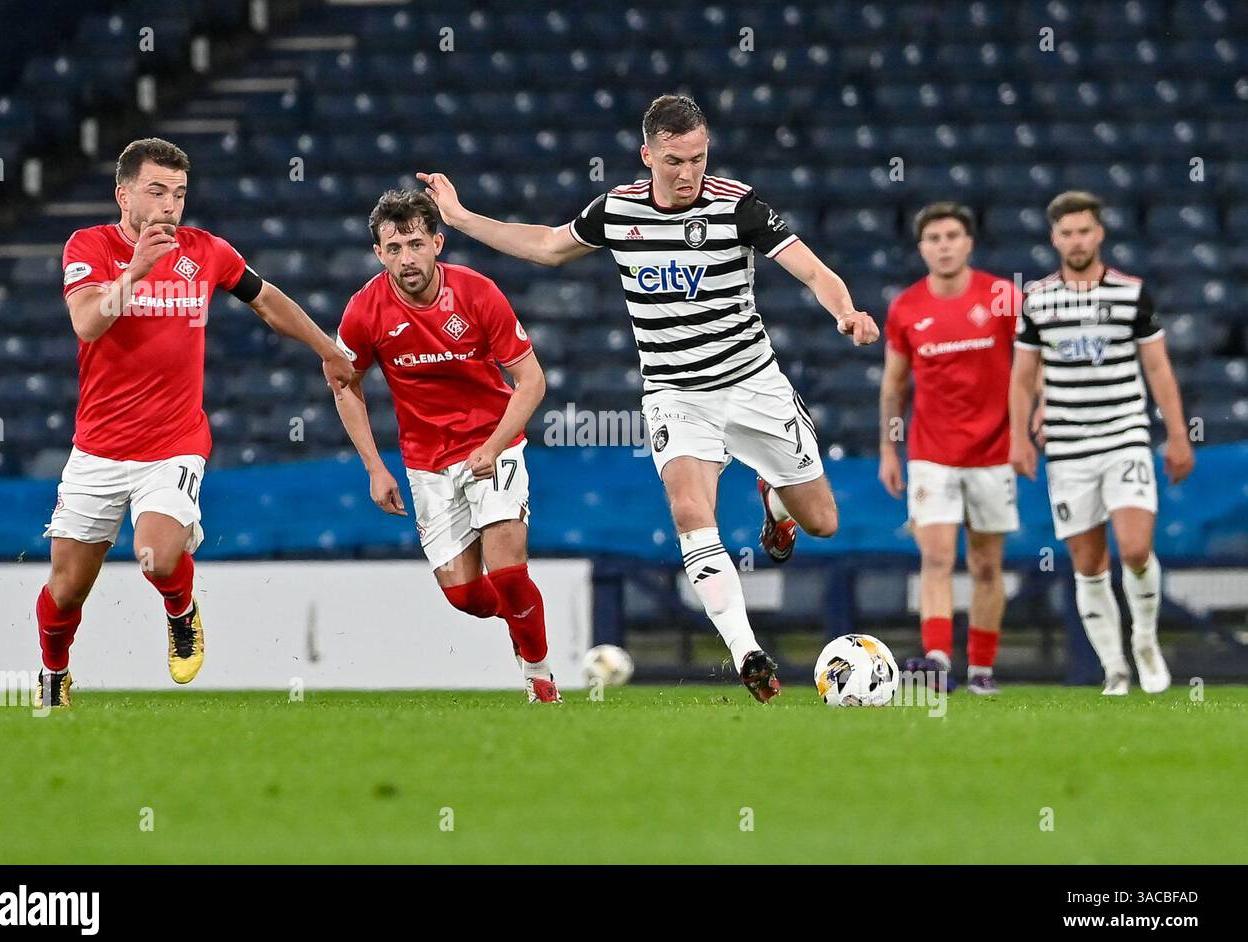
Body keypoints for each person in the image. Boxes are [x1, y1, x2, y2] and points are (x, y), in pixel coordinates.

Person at [417, 94, 879, 702]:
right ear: (647, 156)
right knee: (690, 511)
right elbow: (548, 246)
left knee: (822, 521)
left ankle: (775, 504)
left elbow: (815, 272)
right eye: (674, 161)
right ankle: (747, 651)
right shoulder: (617, 211)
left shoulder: (739, 206)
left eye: (697, 158)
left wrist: (846, 311)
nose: (688, 173)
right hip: (675, 394)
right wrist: (462, 217)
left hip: (752, 385)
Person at [36, 137, 354, 707]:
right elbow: (86, 323)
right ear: (124, 195)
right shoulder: (89, 246)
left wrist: (325, 347)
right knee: (65, 590)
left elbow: (266, 300)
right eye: (156, 191)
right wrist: (136, 270)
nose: (169, 206)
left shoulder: (205, 252)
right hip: (99, 449)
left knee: (156, 554)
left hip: (174, 443)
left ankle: (181, 612)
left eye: (179, 194)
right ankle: (54, 674)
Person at [330, 190, 558, 702]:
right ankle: (521, 619)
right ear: (378, 253)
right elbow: (344, 384)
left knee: (508, 570)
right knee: (467, 598)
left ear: (437, 242)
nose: (406, 258)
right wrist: (374, 466)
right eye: (393, 248)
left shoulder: (477, 294)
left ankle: (540, 680)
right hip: (427, 463)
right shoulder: (365, 310)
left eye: (415, 244)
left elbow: (532, 382)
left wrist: (495, 446)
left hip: (492, 445)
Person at [1010, 191, 1194, 695]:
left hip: (1125, 436)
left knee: (1135, 549)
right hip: (1067, 446)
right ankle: (1114, 666)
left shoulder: (1131, 293)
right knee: (1089, 563)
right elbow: (1023, 377)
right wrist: (1019, 438)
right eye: (1067, 232)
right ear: (1054, 238)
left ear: (1100, 233)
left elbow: (1158, 366)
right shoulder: (1037, 300)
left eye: (1084, 230)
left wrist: (1177, 434)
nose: (1076, 240)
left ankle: (1146, 642)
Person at [879, 202, 1021, 695]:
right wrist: (888, 449)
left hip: (993, 451)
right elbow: (894, 385)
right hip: (931, 452)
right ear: (922, 248)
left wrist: (1030, 423)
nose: (943, 245)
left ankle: (981, 670)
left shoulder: (1003, 297)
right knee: (937, 559)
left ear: (969, 243)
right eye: (933, 238)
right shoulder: (906, 307)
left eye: (952, 236)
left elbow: (1031, 367)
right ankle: (938, 660)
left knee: (985, 565)